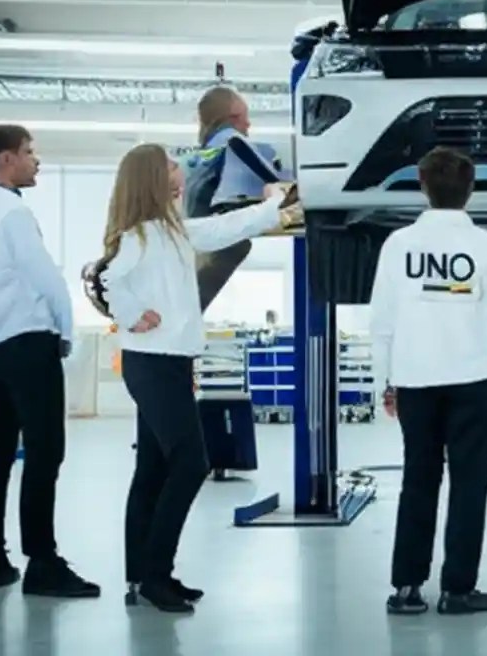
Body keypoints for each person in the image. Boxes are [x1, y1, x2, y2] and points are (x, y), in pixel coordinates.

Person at [85, 143, 302, 613]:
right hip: (154, 365)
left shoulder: (170, 231)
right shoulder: (139, 237)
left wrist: (274, 205)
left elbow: (226, 226)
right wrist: (126, 315)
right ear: (153, 180)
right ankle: (156, 575)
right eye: (170, 167)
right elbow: (101, 277)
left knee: (153, 469)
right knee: (189, 464)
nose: (179, 172)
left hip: (167, 364)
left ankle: (142, 574)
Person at [0, 124, 100, 598]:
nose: (37, 161)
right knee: (44, 451)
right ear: (6, 159)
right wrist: (66, 329)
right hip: (27, 341)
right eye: (29, 152)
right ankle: (42, 561)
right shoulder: (13, 214)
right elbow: (46, 277)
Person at [371, 146, 487, 617]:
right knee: (470, 485)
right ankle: (457, 590)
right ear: (471, 190)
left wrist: (384, 383)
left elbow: (383, 321)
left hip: (416, 379)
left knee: (419, 480)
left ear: (421, 183)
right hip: (474, 378)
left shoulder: (398, 245)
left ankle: (407, 588)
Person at [185, 86, 295, 312]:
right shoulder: (233, 140)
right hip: (215, 223)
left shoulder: (202, 152)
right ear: (233, 117)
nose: (248, 125)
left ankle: (188, 310)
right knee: (238, 246)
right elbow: (269, 174)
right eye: (246, 118)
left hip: (196, 226)